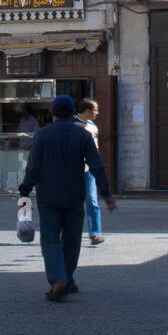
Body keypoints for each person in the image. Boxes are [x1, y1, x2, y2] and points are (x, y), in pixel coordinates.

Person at [19, 94, 115, 301]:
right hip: (74, 195)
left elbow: (33, 166)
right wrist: (106, 193)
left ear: (52, 112)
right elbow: (96, 166)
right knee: (71, 241)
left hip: (48, 196)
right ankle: (68, 279)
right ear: (72, 113)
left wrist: (25, 189)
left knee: (51, 239)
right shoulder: (83, 136)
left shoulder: (43, 135)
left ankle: (58, 279)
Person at [74, 98, 105, 245]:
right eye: (95, 110)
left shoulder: (93, 126)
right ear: (87, 111)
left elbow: (96, 149)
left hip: (88, 170)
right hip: (71, 170)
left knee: (92, 200)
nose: (97, 113)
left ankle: (95, 233)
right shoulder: (70, 124)